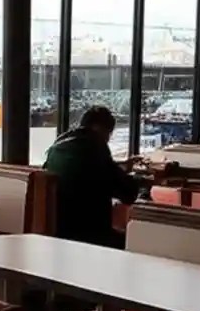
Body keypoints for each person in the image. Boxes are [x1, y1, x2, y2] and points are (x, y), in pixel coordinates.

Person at [43, 106, 141, 249]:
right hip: (88, 236)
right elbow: (128, 193)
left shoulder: (57, 148)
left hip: (56, 231)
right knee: (136, 242)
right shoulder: (95, 149)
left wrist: (118, 167)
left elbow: (83, 171)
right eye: (109, 134)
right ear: (100, 129)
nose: (108, 139)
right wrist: (138, 178)